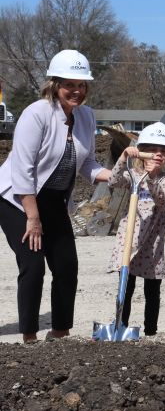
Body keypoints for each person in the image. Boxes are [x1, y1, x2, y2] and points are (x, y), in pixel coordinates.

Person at [0, 50, 114, 343]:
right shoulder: (36, 113)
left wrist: (117, 175)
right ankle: (29, 337)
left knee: (66, 265)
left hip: (54, 199)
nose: (76, 91)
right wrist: (32, 217)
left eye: (81, 85)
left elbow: (88, 164)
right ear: (54, 84)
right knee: (33, 264)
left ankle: (60, 333)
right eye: (69, 85)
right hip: (17, 198)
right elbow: (23, 169)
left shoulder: (86, 116)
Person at [106, 123, 165, 337]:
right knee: (126, 286)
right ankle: (120, 326)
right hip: (130, 237)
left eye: (163, 151)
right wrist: (123, 157)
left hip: (152, 241)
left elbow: (161, 199)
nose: (158, 154)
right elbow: (113, 181)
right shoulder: (133, 175)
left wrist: (152, 177)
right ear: (143, 152)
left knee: (152, 290)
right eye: (153, 150)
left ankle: (151, 332)